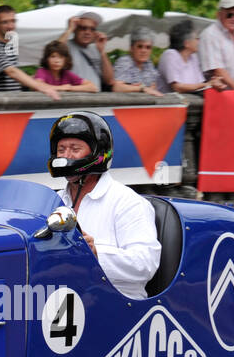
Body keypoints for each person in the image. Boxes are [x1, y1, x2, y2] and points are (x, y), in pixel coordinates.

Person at [50, 112, 160, 300]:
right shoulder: (54, 202)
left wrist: (97, 253)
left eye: (74, 149)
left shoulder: (127, 202)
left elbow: (145, 264)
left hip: (117, 302)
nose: (65, 156)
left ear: (96, 153)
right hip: (63, 300)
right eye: (61, 149)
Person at [0, 4, 62, 99]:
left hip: (11, 103)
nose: (10, 26)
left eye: (13, 21)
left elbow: (13, 78)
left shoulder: (11, 44)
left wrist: (38, 78)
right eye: (5, 22)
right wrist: (42, 87)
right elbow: (11, 72)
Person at [156, 20, 227, 94]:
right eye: (197, 38)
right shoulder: (170, 55)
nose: (199, 41)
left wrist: (213, 82)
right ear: (186, 43)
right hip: (170, 104)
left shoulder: (193, 57)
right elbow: (177, 87)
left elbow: (200, 84)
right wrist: (207, 84)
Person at [55, 12, 114, 90]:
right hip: (74, 97)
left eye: (92, 29)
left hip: (97, 99)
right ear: (75, 29)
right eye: (83, 28)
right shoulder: (66, 46)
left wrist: (102, 51)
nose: (87, 32)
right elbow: (54, 52)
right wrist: (69, 29)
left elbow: (109, 81)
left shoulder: (96, 49)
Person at [111, 28, 162, 94]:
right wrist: (142, 88)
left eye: (148, 47)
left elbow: (153, 86)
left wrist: (135, 88)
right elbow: (117, 87)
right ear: (131, 48)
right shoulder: (124, 61)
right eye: (140, 46)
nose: (144, 51)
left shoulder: (148, 63)